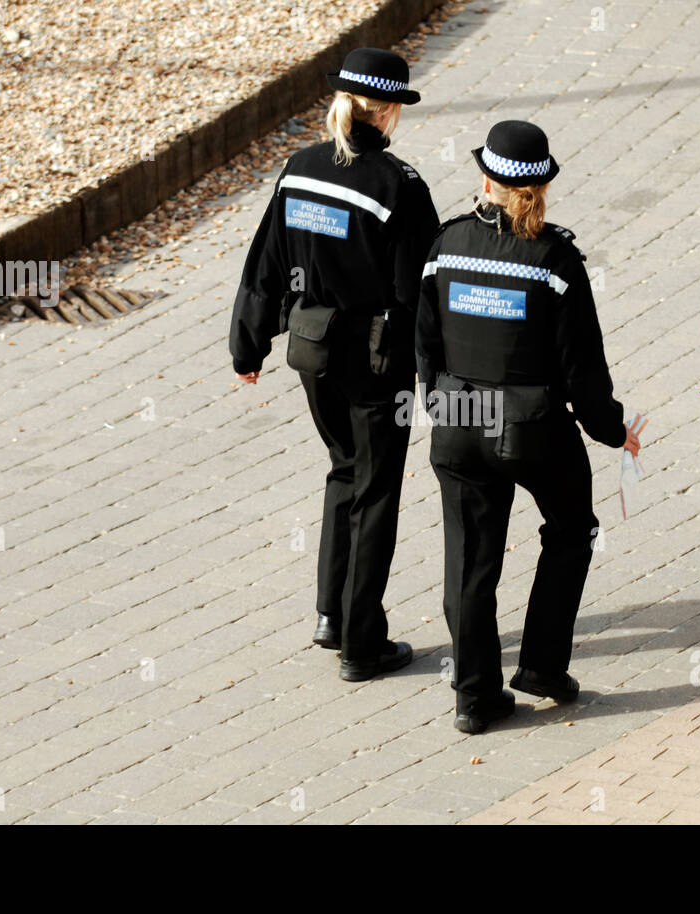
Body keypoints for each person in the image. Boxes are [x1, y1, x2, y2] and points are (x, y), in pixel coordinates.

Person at [417, 120, 642, 734]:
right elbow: (582, 367)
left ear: (485, 180)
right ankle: (542, 667)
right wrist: (613, 430)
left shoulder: (445, 246)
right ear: (541, 184)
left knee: (468, 561)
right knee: (571, 528)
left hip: (459, 422)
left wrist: (442, 409)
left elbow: (425, 345)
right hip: (536, 431)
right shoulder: (555, 259)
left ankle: (473, 698)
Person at [230, 48, 440, 681]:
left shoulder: (298, 169)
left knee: (344, 472)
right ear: (389, 110)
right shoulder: (398, 186)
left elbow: (264, 264)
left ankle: (330, 614)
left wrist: (248, 345)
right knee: (375, 491)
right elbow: (420, 291)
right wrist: (440, 377)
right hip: (376, 363)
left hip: (312, 351)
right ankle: (361, 644)